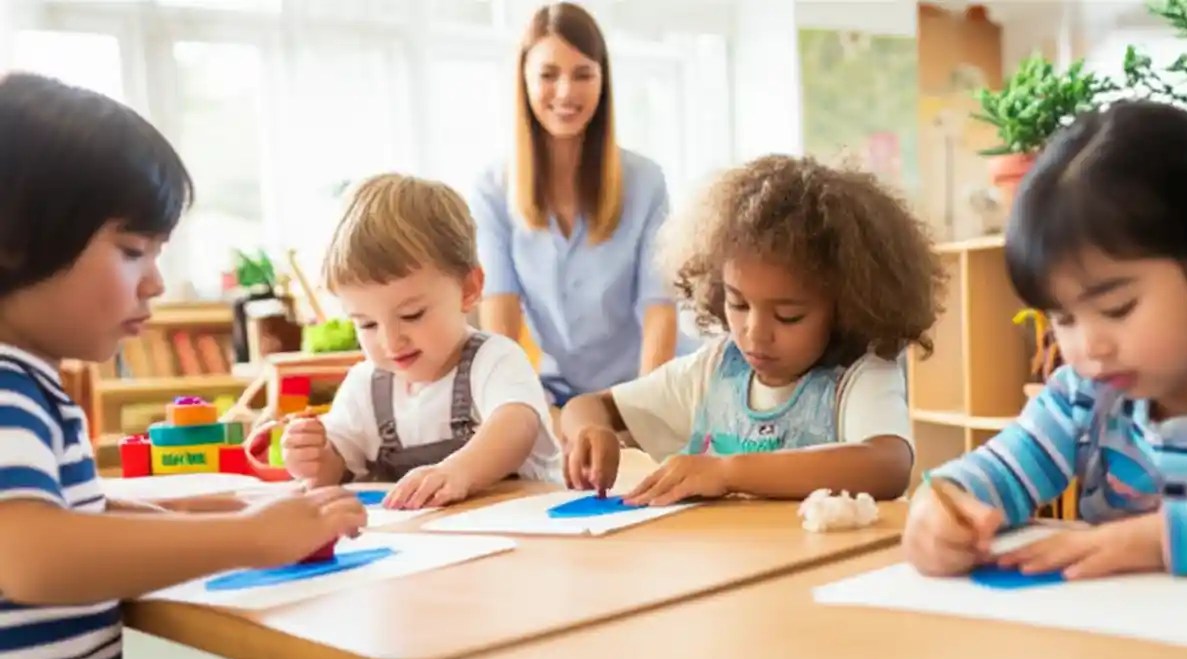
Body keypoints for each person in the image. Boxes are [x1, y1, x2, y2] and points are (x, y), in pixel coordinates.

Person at [0, 72, 367, 659]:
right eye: (133, 251)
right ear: (15, 241)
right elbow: (29, 554)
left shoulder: (27, 380)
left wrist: (197, 512)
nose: (155, 283)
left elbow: (70, 512)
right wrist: (248, 539)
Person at [904, 101, 1187, 580]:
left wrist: (1155, 540)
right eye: (1063, 318)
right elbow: (995, 472)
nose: (1088, 347)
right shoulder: (1081, 400)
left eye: (1116, 308)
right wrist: (944, 508)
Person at [559, 154, 944, 505]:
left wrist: (728, 472)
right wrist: (591, 432)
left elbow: (887, 467)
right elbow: (589, 406)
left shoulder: (860, 376)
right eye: (738, 304)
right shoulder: (715, 369)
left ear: (846, 306)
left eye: (789, 316)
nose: (754, 333)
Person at [281, 174, 561, 509]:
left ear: (469, 289)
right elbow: (335, 469)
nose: (390, 341)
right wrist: (313, 457)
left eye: (412, 315)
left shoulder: (495, 360)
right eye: (367, 324)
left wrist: (457, 472)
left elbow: (516, 427)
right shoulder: (365, 386)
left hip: (526, 540)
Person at [471, 1, 686, 408]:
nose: (566, 92)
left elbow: (659, 312)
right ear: (524, 81)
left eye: (583, 74)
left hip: (644, 387)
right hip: (557, 393)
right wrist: (517, 411)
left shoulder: (646, 182)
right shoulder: (492, 189)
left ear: (602, 81)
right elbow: (501, 321)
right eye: (548, 75)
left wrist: (640, 416)